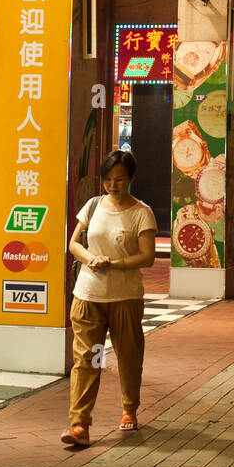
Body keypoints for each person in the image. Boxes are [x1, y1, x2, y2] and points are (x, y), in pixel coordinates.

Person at [62, 150, 156, 447]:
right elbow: (74, 244)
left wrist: (112, 263)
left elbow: (148, 256)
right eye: (108, 180)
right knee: (85, 360)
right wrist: (92, 259)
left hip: (125, 297)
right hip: (88, 294)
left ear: (131, 179)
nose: (113, 186)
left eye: (119, 180)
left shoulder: (142, 212)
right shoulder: (92, 206)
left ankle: (129, 408)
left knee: (128, 356)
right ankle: (79, 425)